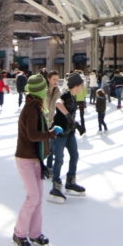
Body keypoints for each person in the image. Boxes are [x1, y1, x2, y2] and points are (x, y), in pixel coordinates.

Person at [13, 73, 61, 246]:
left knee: (38, 198)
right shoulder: (31, 109)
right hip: (25, 158)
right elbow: (33, 135)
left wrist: (49, 131)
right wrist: (51, 133)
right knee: (33, 196)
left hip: (35, 159)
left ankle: (34, 233)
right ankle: (19, 233)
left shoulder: (36, 107)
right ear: (40, 91)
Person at [49, 73, 86, 203]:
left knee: (75, 156)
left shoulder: (74, 97)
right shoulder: (65, 94)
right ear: (75, 85)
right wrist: (68, 116)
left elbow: (70, 115)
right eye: (81, 85)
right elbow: (58, 103)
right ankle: (56, 186)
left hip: (69, 133)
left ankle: (70, 182)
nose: (82, 88)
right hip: (59, 133)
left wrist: (76, 124)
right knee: (59, 159)